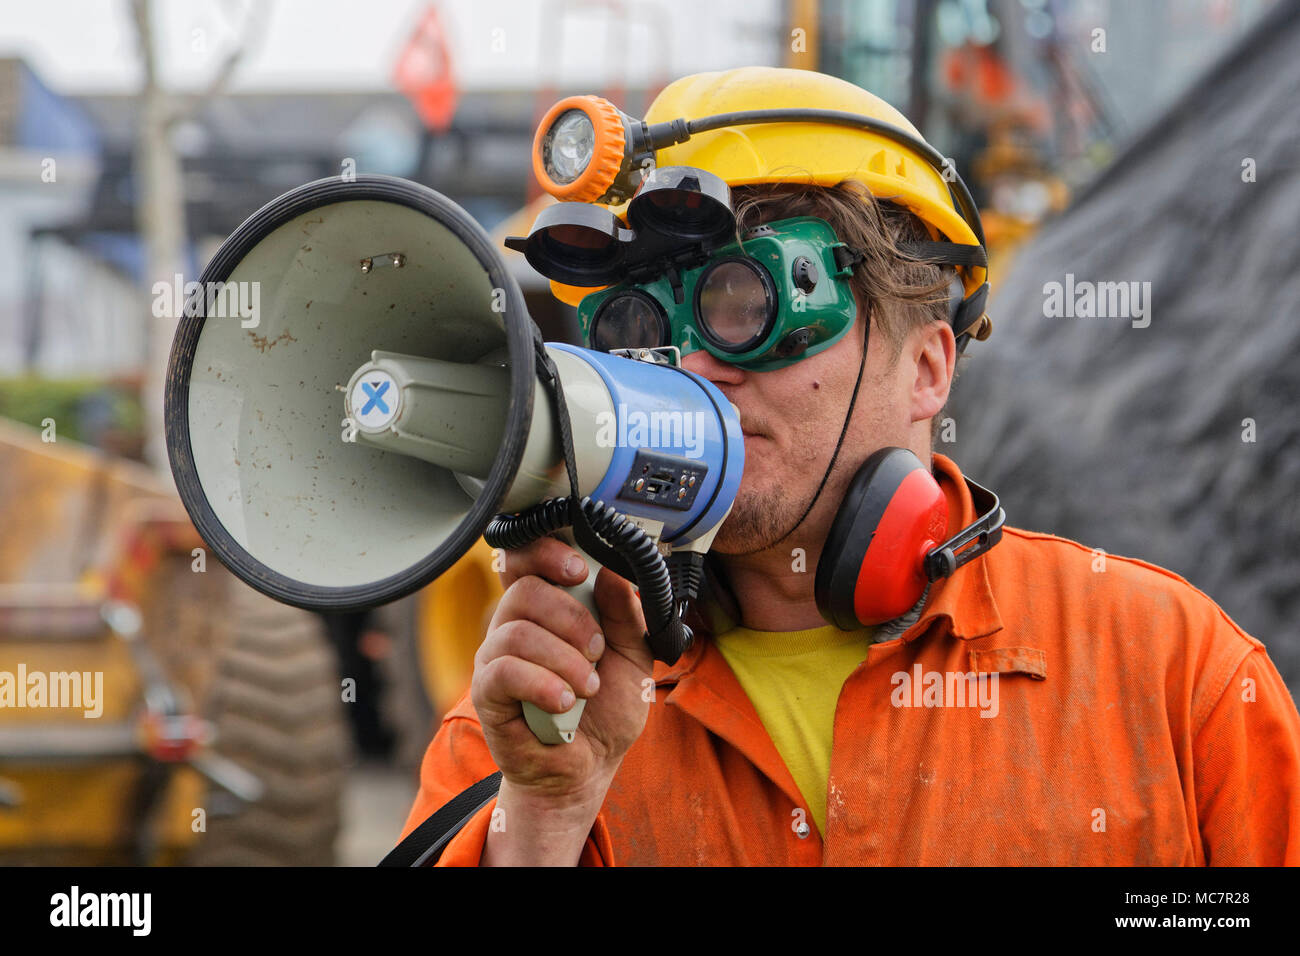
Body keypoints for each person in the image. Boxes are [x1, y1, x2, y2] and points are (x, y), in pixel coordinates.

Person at [396, 67, 1300, 865]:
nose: (695, 366)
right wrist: (545, 822)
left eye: (744, 302)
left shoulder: (1172, 673)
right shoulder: (530, 721)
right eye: (641, 329)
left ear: (927, 369)